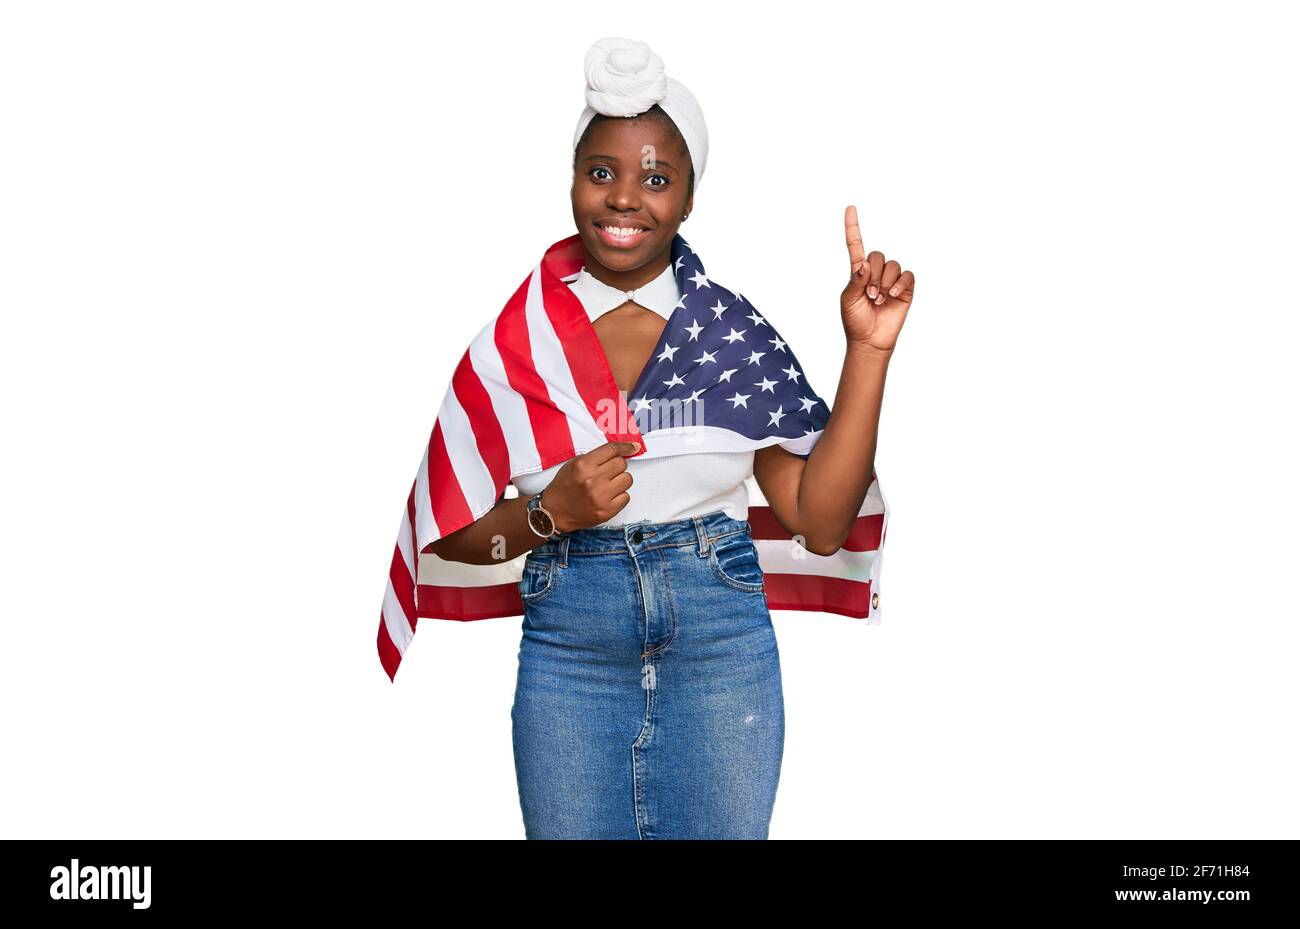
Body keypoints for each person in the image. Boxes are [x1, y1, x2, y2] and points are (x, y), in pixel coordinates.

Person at [426, 37, 915, 839]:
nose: (625, 199)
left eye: (657, 179)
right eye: (602, 172)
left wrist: (868, 351)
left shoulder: (731, 337)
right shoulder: (517, 342)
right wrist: (551, 514)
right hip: (571, 650)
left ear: (689, 200)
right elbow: (451, 538)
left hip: (718, 641)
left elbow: (821, 526)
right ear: (573, 181)